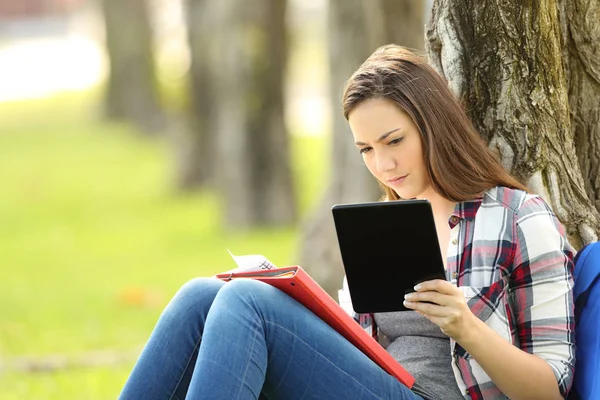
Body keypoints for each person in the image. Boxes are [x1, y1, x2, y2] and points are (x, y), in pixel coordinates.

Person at [118, 45, 575, 400]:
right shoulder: (387, 226)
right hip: (380, 382)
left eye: (393, 140)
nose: (383, 164)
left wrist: (466, 326)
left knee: (246, 302)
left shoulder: (519, 218)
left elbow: (551, 391)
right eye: (366, 149)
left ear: (435, 125)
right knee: (202, 295)